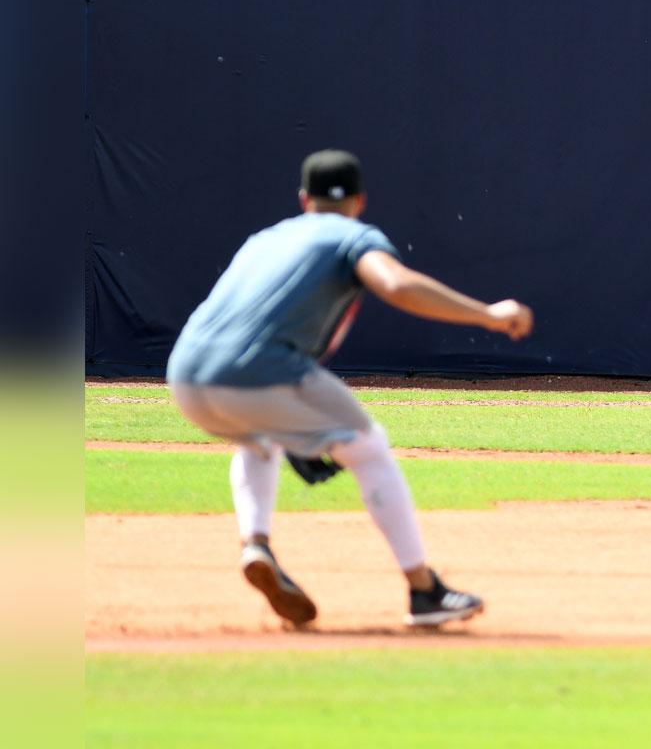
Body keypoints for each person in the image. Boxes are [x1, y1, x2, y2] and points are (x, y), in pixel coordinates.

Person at [167, 149, 534, 628]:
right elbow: (396, 286)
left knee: (259, 437)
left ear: (304, 199)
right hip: (261, 369)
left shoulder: (265, 239)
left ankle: (255, 543)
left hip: (185, 373)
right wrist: (487, 314)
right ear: (360, 201)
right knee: (368, 445)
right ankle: (424, 590)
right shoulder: (354, 236)